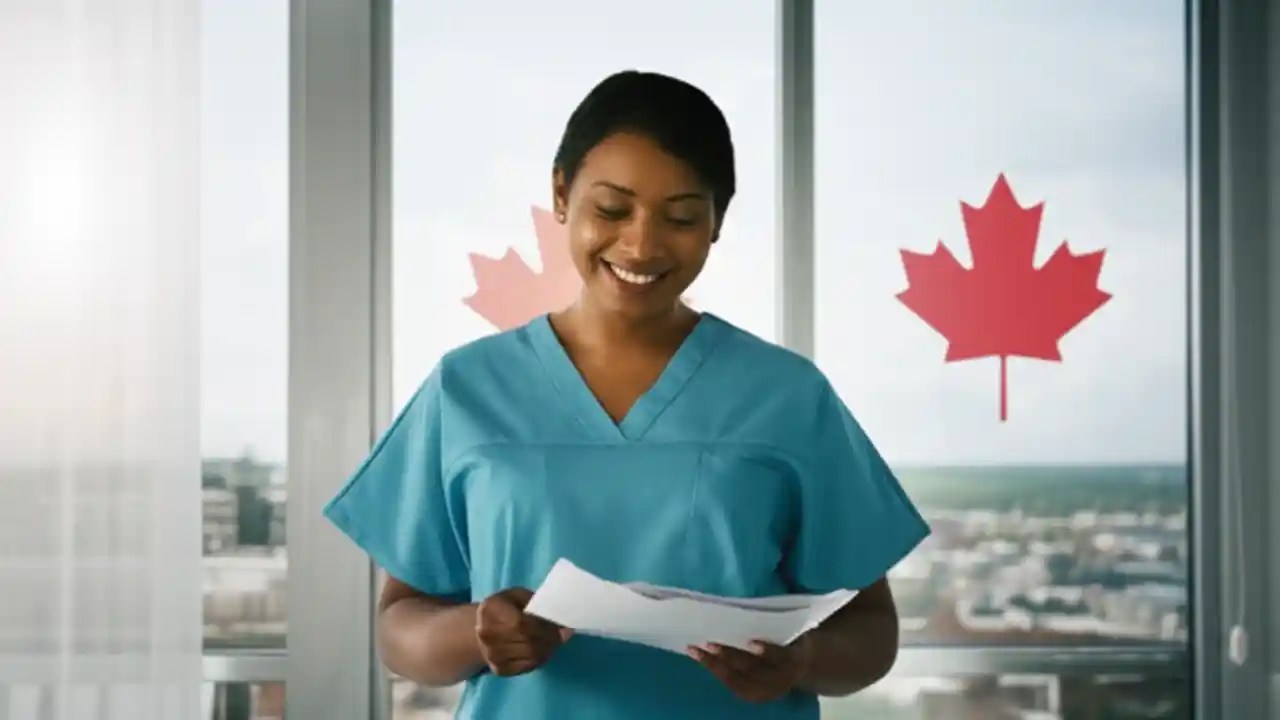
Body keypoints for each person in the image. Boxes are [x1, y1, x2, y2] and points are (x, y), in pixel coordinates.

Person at [323, 69, 930, 719]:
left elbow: (872, 632)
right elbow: (399, 629)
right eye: (612, 209)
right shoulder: (466, 389)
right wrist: (477, 629)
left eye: (682, 217)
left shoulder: (788, 395)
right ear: (562, 195)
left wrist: (802, 661)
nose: (641, 243)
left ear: (717, 222)